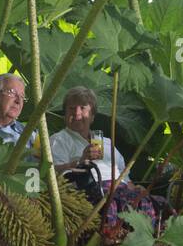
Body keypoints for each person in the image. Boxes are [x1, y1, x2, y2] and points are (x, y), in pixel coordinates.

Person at [49, 86, 160, 228]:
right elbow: (55, 173)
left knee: (155, 202)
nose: (77, 113)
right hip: (91, 190)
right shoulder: (59, 139)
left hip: (120, 188)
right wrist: (80, 162)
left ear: (92, 116)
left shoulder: (106, 142)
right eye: (71, 109)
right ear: (65, 114)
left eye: (83, 108)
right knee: (117, 204)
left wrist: (134, 188)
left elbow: (124, 174)